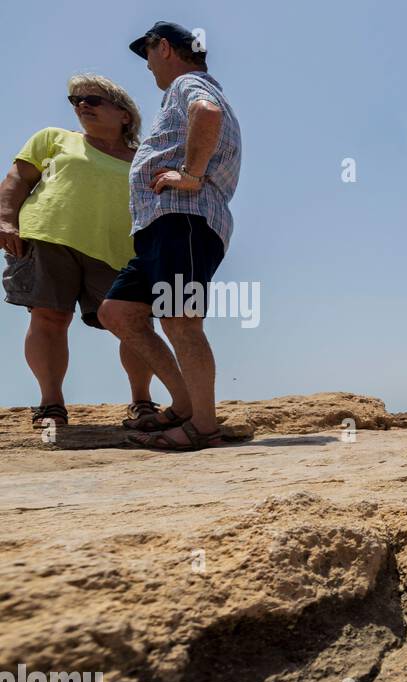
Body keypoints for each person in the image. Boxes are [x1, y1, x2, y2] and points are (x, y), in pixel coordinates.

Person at [97, 21, 242, 451]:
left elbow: (207, 114)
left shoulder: (188, 84)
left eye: (146, 55)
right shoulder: (186, 88)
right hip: (163, 225)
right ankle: (184, 405)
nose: (146, 66)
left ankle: (204, 427)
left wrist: (191, 175)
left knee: (180, 319)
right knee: (117, 312)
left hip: (185, 219)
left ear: (163, 48)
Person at [1, 74, 156, 427]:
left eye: (94, 99)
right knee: (49, 317)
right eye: (77, 100)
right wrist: (5, 220)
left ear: (124, 115)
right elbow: (17, 179)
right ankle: (51, 405)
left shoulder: (143, 159)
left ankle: (142, 403)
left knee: (135, 324)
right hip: (47, 236)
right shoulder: (54, 139)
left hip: (120, 250)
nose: (83, 105)